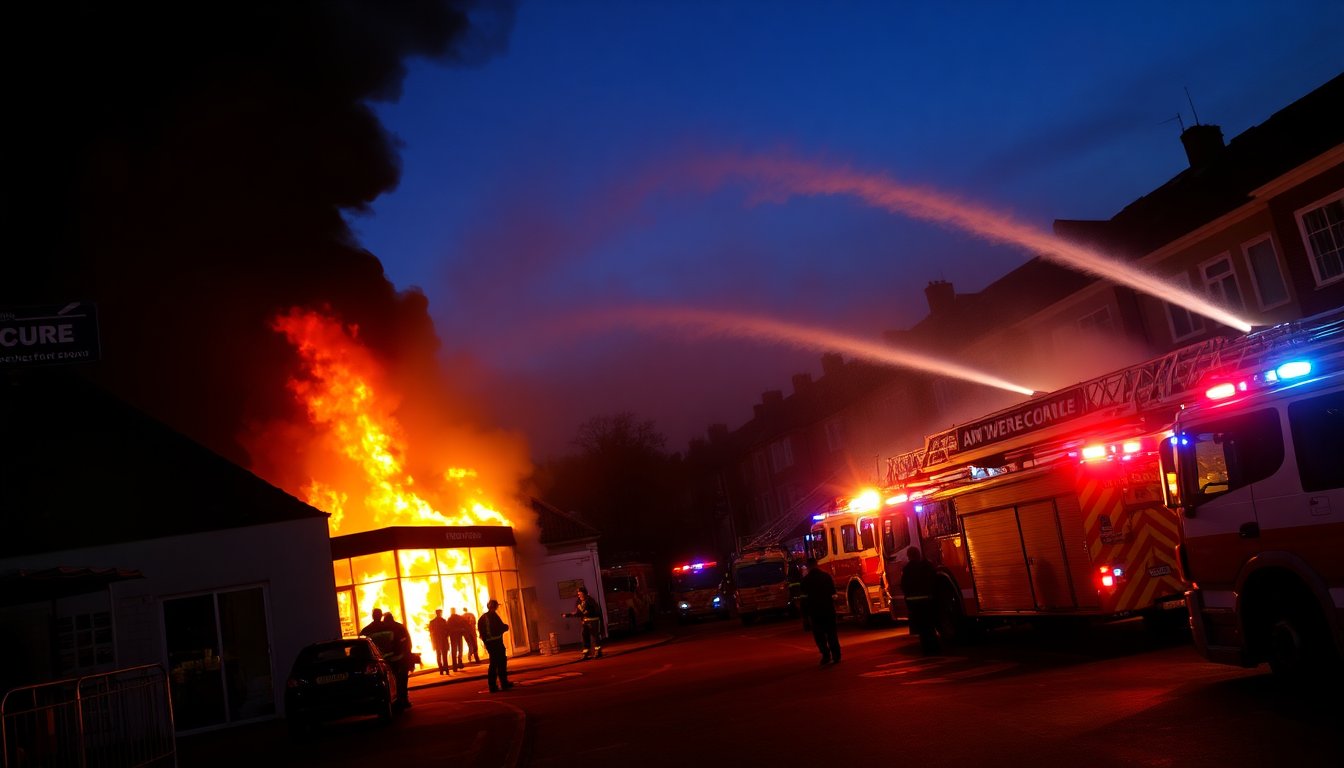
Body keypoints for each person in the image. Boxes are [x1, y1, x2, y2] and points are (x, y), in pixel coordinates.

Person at [799, 557, 841, 665]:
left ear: (808, 566)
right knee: (832, 634)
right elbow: (833, 594)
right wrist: (835, 607)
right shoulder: (826, 576)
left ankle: (826, 655)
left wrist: (805, 616)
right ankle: (836, 656)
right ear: (816, 564)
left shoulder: (805, 581)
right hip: (828, 610)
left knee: (819, 636)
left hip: (815, 612)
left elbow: (804, 599)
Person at [901, 547, 942, 655]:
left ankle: (926, 649)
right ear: (918, 554)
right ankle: (935, 648)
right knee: (930, 627)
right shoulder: (927, 566)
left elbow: (904, 586)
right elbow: (934, 580)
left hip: (914, 604)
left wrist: (908, 601)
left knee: (922, 628)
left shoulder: (907, 569)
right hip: (927, 601)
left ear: (909, 556)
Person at [477, 598, 513, 693]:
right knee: (501, 663)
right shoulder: (494, 616)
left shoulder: (482, 618)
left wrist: (486, 642)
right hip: (497, 643)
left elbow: (481, 632)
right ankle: (504, 683)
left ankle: (492, 686)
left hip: (489, 644)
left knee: (493, 664)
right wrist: (506, 627)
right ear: (495, 606)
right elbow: (499, 628)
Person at [381, 611, 414, 708]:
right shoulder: (400, 627)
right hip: (401, 659)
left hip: (389, 660)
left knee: (394, 681)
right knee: (402, 680)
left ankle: (397, 701)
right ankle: (404, 700)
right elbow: (408, 643)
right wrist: (407, 654)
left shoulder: (384, 629)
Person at [563, 585, 604, 660]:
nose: (578, 595)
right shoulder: (579, 602)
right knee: (585, 637)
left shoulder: (590, 600)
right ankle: (586, 652)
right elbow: (578, 612)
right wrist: (568, 615)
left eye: (580, 593)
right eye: (578, 594)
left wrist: (588, 612)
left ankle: (598, 651)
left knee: (595, 636)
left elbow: (596, 610)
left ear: (584, 593)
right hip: (585, 622)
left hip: (593, 621)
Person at [428, 609, 450, 675]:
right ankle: (446, 669)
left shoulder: (432, 622)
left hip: (436, 642)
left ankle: (441, 670)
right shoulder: (443, 621)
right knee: (444, 656)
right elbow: (447, 631)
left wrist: (433, 641)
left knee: (438, 655)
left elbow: (431, 633)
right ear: (440, 613)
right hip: (443, 641)